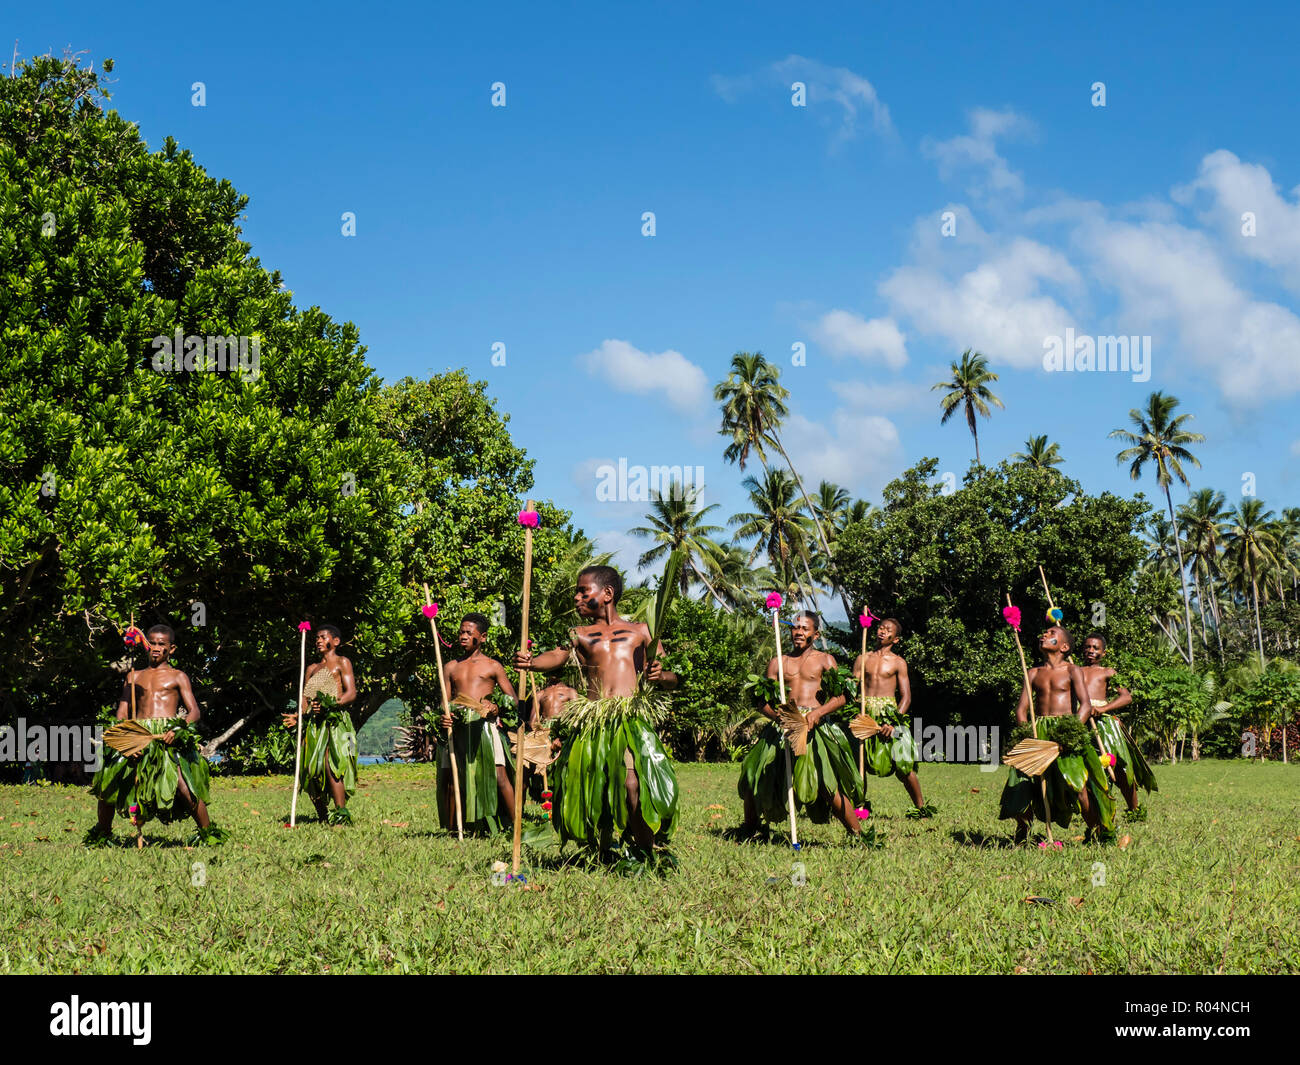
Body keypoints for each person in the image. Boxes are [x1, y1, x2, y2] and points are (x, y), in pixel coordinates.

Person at [514, 566, 677, 861]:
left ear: (607, 594)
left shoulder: (640, 631)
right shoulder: (580, 634)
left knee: (630, 784)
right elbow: (559, 655)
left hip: (630, 717)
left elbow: (672, 676)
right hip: (594, 719)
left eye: (582, 591)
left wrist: (660, 674)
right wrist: (532, 662)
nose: (576, 597)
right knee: (597, 784)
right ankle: (602, 851)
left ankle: (646, 848)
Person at [87, 624, 227, 846]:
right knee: (109, 784)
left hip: (166, 736)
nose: (155, 647)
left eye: (161, 644)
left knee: (182, 785)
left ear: (171, 649)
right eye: (151, 642)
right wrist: (128, 741)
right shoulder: (133, 677)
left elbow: (195, 712)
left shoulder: (178, 676)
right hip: (138, 734)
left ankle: (208, 833)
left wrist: (178, 729)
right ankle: (101, 835)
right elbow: (122, 713)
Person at [735, 612, 865, 841]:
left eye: (805, 628)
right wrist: (779, 718)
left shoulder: (825, 660)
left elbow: (843, 697)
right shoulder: (778, 662)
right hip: (782, 726)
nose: (798, 632)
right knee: (754, 776)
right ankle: (749, 829)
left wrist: (818, 712)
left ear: (815, 634)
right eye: (795, 627)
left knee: (826, 785)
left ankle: (859, 835)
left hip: (815, 727)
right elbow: (761, 701)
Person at [999, 625, 1115, 843]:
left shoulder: (1073, 671)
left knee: (1078, 785)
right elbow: (1021, 709)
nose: (1045, 635)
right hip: (1038, 731)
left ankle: (1099, 832)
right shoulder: (1033, 672)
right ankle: (1022, 831)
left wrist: (1067, 734)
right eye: (1045, 632)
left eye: (1052, 633)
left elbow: (1085, 707)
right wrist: (1028, 737)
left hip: (1066, 729)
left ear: (1064, 646)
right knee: (1023, 783)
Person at [437, 613, 519, 836]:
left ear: (482, 637)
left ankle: (516, 825)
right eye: (461, 632)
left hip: (484, 725)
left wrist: (496, 707)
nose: (463, 636)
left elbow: (512, 698)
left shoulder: (493, 666)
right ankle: (454, 828)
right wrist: (444, 716)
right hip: (457, 726)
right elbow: (444, 700)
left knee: (499, 774)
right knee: (452, 777)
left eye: (468, 633)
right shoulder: (451, 667)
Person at [853, 618, 934, 818]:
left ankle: (920, 808)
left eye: (888, 630)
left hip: (890, 713)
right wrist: (855, 709)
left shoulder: (899, 662)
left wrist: (894, 721)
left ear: (895, 639)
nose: (882, 631)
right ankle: (860, 808)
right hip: (865, 712)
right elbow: (853, 688)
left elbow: (906, 696)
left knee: (904, 764)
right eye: (881, 627)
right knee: (859, 762)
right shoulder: (862, 658)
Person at [282, 624, 358, 824]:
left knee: (331, 765)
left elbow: (351, 693)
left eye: (322, 637)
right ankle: (323, 816)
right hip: (314, 725)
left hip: (336, 723)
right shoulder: (312, 669)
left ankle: (341, 813)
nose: (317, 640)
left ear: (335, 641)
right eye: (316, 637)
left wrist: (331, 705)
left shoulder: (342, 662)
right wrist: (298, 716)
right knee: (309, 769)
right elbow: (305, 700)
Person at [1079, 633, 1156, 820]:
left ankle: (1134, 810)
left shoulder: (1109, 672)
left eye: (1096, 648)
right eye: (1088, 646)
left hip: (1104, 724)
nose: (1091, 650)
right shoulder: (1074, 671)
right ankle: (1096, 813)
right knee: (1088, 771)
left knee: (1120, 768)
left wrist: (1103, 708)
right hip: (1081, 722)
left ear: (1104, 653)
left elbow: (1126, 697)